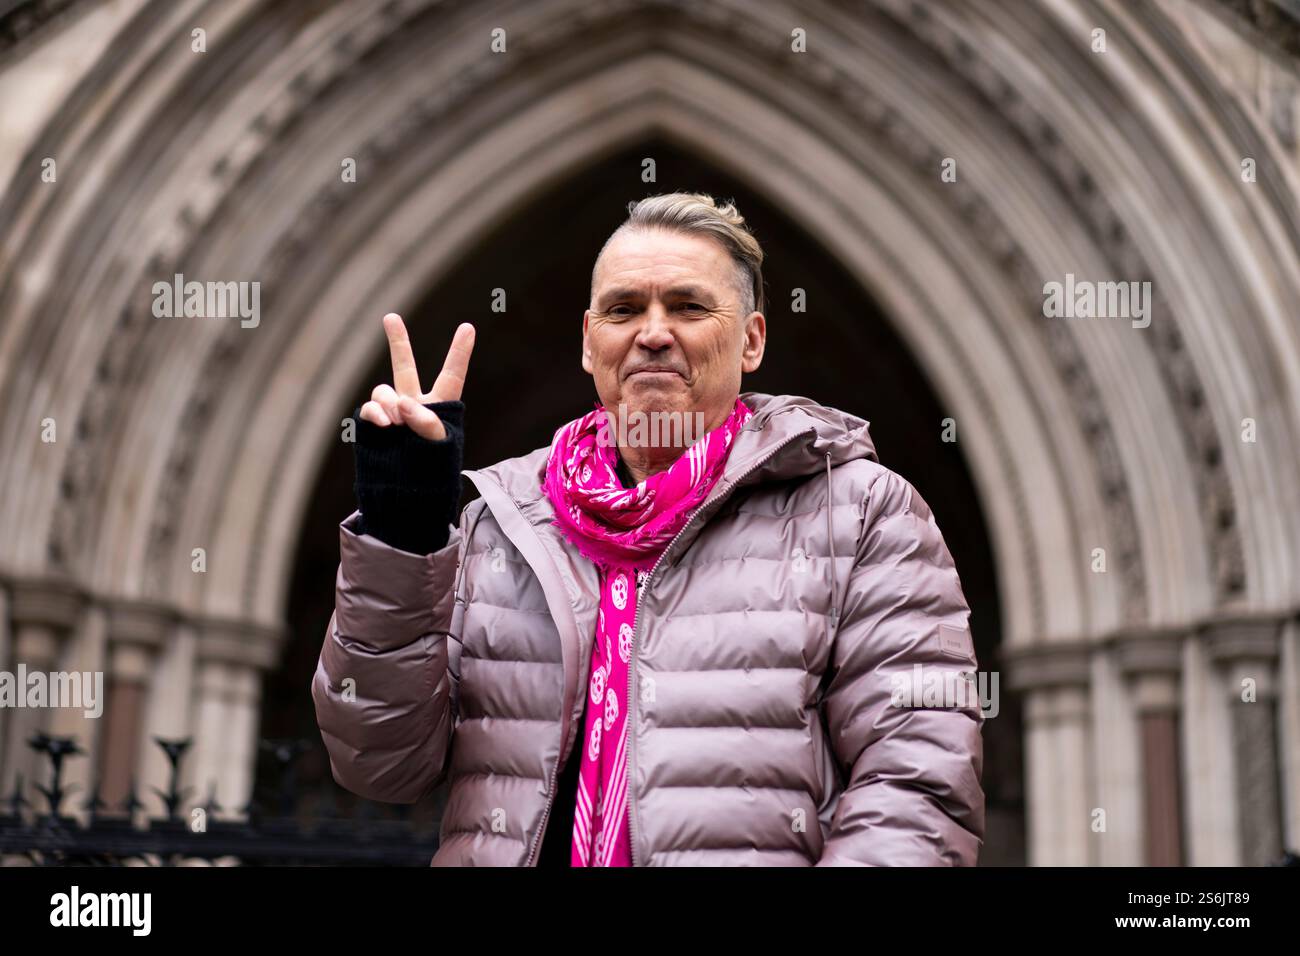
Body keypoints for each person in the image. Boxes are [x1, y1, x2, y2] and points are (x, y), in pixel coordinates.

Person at [311, 192, 985, 866]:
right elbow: (380, 764)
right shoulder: (500, 524)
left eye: (689, 307)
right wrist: (405, 532)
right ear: (588, 342)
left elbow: (917, 784)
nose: (653, 332)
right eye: (624, 309)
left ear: (751, 340)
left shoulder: (861, 513)